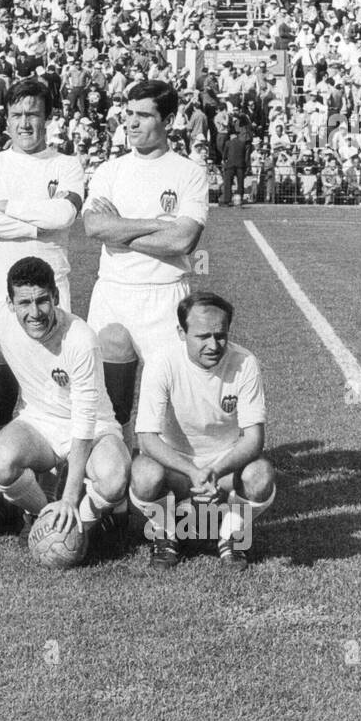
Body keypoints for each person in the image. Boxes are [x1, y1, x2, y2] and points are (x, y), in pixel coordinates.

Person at [0, 257, 131, 555]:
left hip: (94, 427)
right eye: (24, 303)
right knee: (1, 463)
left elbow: (84, 420)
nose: (34, 312)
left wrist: (71, 498)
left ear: (55, 297)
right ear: (11, 303)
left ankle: (79, 525)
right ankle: (43, 515)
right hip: (39, 422)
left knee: (114, 477)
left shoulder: (80, 338)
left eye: (42, 301)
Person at [81, 79, 209, 448]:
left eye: (143, 115)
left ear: (168, 119)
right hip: (112, 293)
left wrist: (119, 229)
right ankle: (113, 487)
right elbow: (93, 226)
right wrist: (156, 223)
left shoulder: (189, 172)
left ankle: (160, 482)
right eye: (128, 115)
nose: (132, 124)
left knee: (169, 406)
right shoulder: (110, 169)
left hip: (165, 298)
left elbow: (183, 240)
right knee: (106, 406)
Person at [0, 77, 84, 427]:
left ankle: (50, 472)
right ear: (6, 119)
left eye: (33, 114)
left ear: (48, 117)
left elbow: (64, 215)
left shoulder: (66, 165)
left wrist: (5, 206)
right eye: (16, 114)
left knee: (55, 396)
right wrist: (35, 227)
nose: (25, 123)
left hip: (50, 291)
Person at [129, 292, 276, 571]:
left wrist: (215, 471)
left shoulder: (245, 363)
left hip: (224, 468)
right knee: (144, 474)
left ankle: (230, 538)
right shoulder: (161, 363)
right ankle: (167, 535)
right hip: (178, 468)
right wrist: (192, 472)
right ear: (181, 333)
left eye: (220, 335)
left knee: (260, 474)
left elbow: (254, 440)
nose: (213, 345)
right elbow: (146, 439)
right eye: (202, 336)